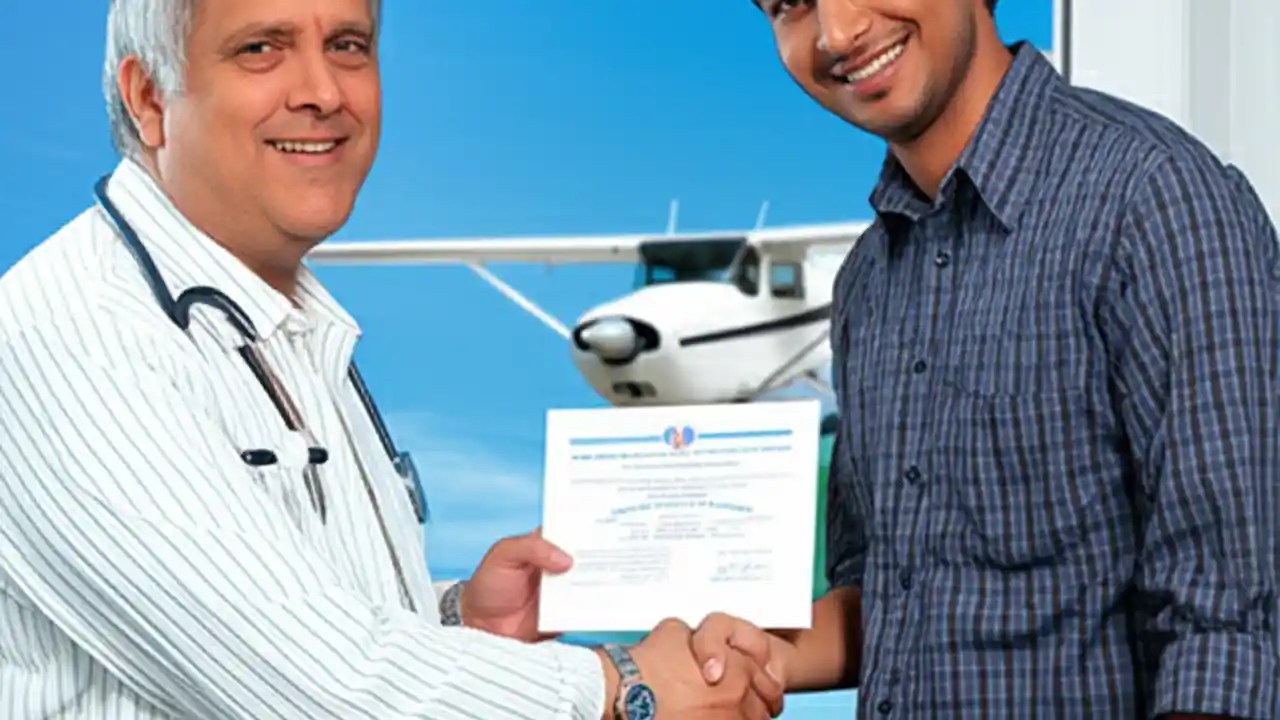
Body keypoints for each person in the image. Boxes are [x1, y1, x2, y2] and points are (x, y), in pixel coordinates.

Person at [0, 1, 784, 718]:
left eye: (348, 46)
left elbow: (283, 604)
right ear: (148, 98)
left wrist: (458, 620)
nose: (322, 92)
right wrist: (620, 687)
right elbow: (309, 684)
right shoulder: (71, 336)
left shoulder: (284, 320)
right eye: (261, 49)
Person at [691, 0, 1280, 718]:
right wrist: (770, 653)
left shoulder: (1159, 202)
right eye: (789, 5)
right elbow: (894, 589)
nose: (837, 33)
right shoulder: (865, 282)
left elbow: (1225, 633)